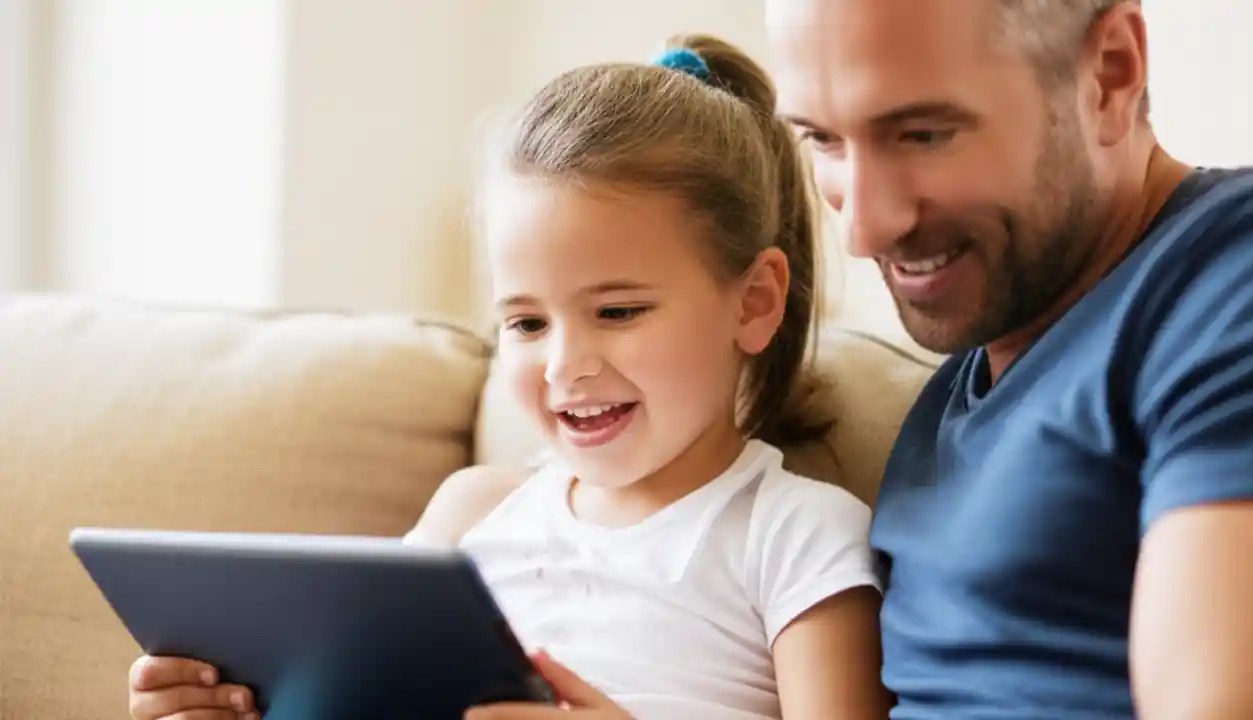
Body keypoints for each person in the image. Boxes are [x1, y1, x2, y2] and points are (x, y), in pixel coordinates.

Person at [124, 35, 893, 720]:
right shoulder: (470, 516)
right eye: (526, 323)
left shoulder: (797, 537)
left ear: (754, 302)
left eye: (619, 311)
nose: (565, 365)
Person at [763, 0, 1253, 717]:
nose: (864, 228)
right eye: (822, 139)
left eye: (923, 134)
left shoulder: (1244, 276)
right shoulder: (948, 398)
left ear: (1108, 74)